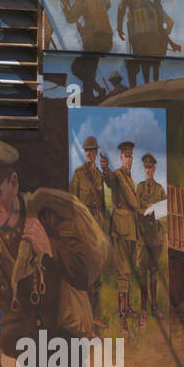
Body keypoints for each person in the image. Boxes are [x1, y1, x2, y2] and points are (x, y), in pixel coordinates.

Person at [0, 141, 108, 367]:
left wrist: (49, 249)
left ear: (14, 183)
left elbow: (83, 275)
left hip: (60, 345)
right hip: (15, 353)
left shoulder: (49, 215)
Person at [102, 140, 142, 333]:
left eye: (131, 157)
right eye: (126, 157)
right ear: (121, 158)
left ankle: (128, 308)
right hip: (121, 228)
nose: (129, 160)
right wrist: (105, 169)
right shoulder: (118, 175)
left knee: (130, 270)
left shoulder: (129, 177)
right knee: (123, 273)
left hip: (131, 229)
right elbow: (110, 181)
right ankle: (122, 319)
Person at [69, 135, 108, 328]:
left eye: (92, 150)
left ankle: (95, 316)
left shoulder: (100, 176)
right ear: (84, 153)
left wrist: (105, 227)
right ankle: (83, 318)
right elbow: (71, 204)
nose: (89, 153)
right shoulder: (77, 175)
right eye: (86, 151)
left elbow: (102, 204)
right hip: (83, 229)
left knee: (97, 272)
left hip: (97, 229)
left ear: (95, 152)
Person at [60, 0, 113, 104]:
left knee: (77, 68)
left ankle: (90, 94)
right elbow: (108, 4)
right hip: (106, 36)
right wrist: (87, 21)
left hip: (94, 37)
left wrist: (65, 7)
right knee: (90, 67)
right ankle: (97, 91)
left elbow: (71, 18)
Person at [116, 0, 175, 86]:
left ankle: (147, 84)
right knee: (153, 59)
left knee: (143, 61)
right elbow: (157, 0)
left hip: (137, 31)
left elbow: (122, 6)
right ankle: (155, 83)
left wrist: (119, 26)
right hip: (152, 29)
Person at [135, 153, 167, 326]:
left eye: (151, 168)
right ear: (144, 170)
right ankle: (144, 312)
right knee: (142, 274)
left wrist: (154, 210)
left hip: (155, 238)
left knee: (154, 273)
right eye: (146, 168)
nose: (148, 171)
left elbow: (164, 210)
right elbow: (136, 208)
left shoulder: (160, 189)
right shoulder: (139, 188)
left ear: (154, 169)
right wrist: (145, 210)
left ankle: (154, 307)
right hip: (142, 237)